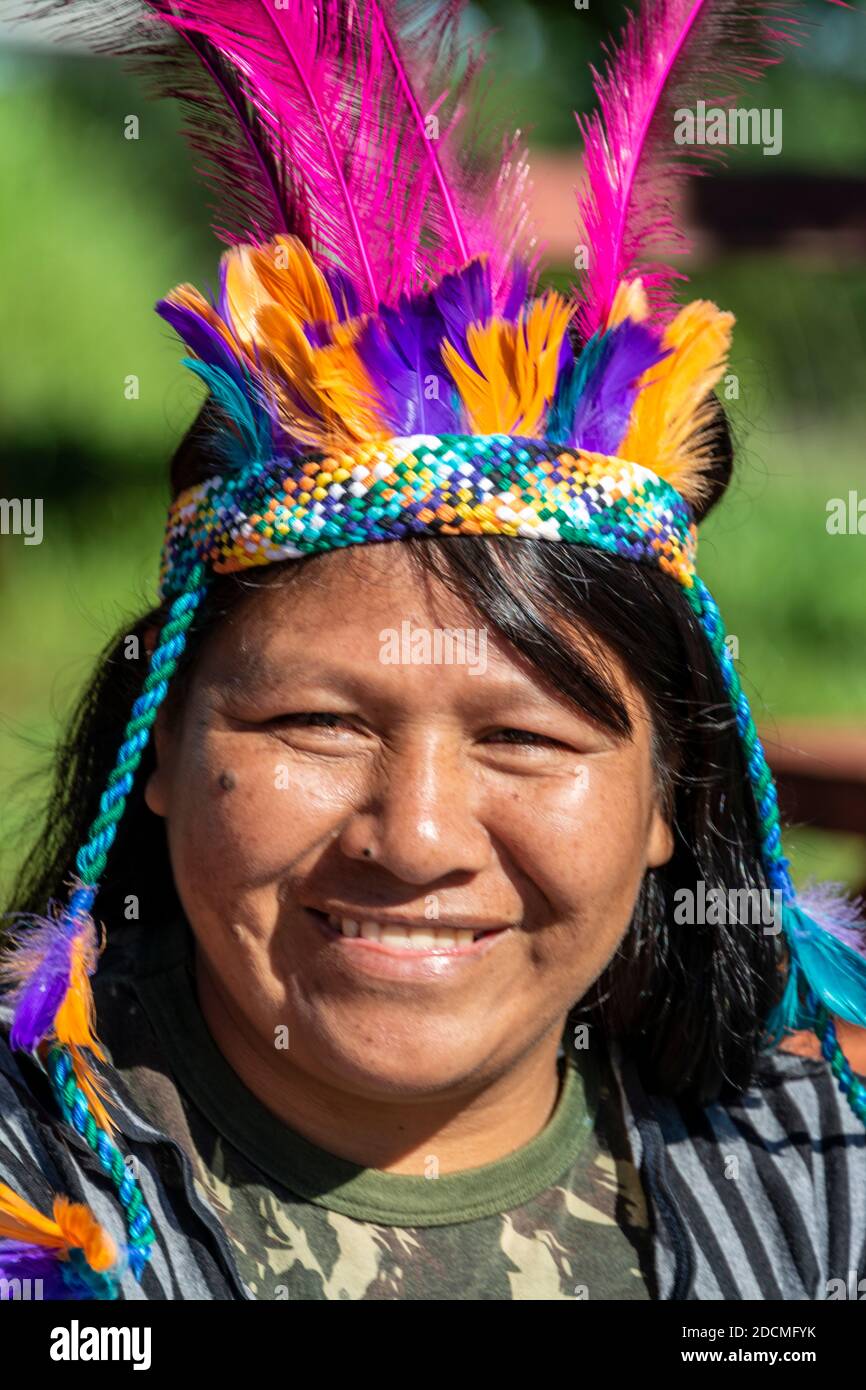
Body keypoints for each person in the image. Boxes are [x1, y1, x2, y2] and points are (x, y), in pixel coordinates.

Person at [1, 0, 865, 1302]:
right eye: (314, 726)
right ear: (161, 741)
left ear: (668, 794)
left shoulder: (824, 1179)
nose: (413, 840)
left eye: (522, 736)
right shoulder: (38, 1199)